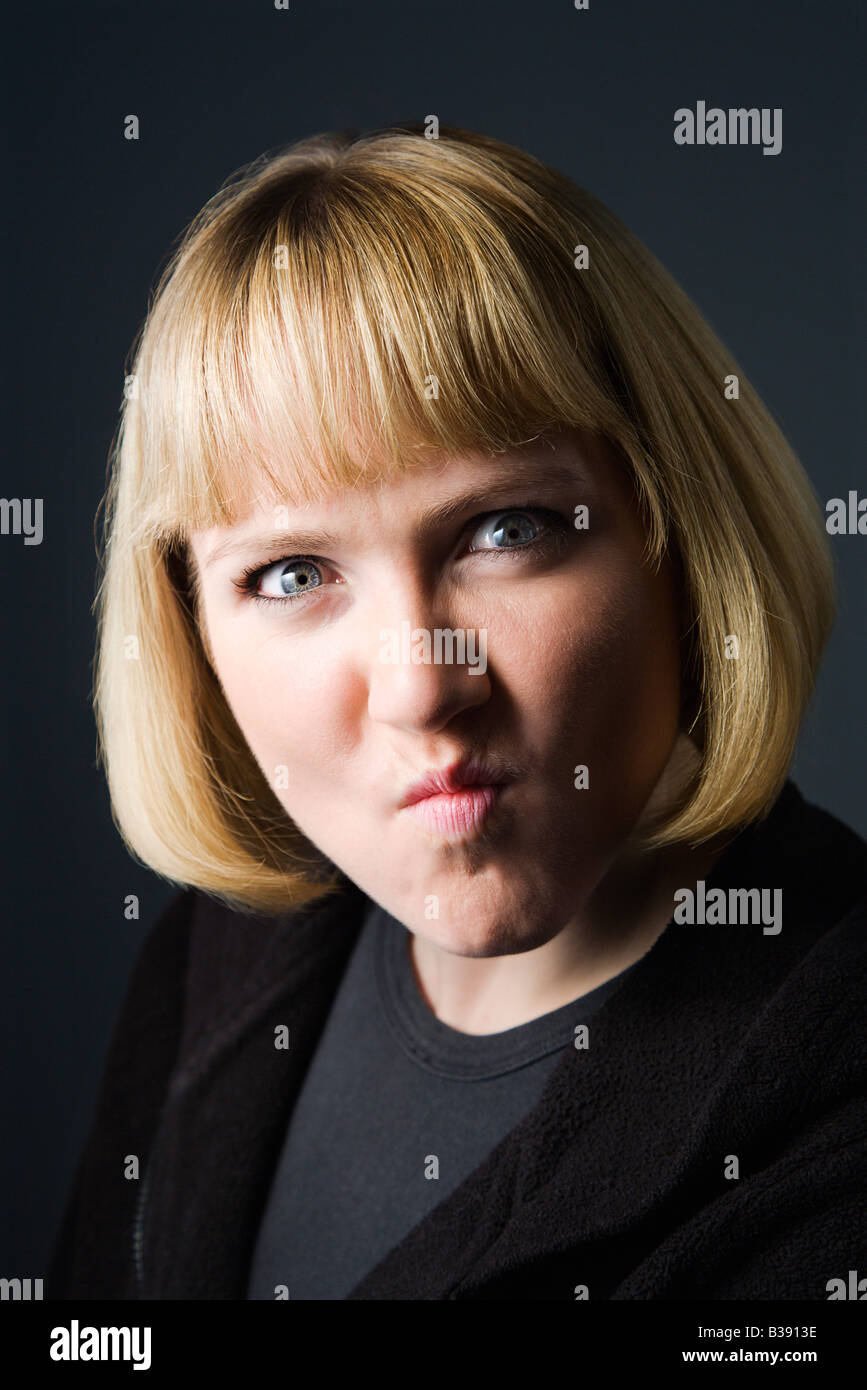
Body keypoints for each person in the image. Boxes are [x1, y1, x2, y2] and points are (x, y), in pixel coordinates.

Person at [46, 123, 866, 1300]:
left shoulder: (833, 1115)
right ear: (190, 632)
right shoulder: (214, 966)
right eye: (292, 574)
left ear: (679, 532)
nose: (423, 683)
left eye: (506, 530)